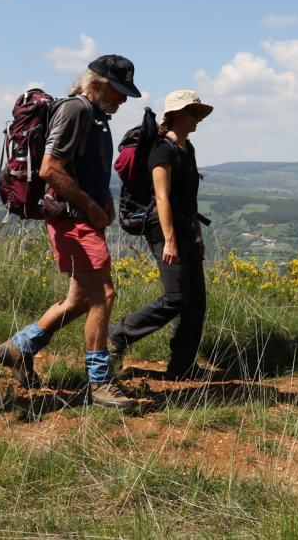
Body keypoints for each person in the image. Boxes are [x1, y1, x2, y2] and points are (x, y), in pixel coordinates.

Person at [0, 55, 141, 409]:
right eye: (118, 91)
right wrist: (90, 206)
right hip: (72, 218)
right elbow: (50, 169)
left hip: (82, 216)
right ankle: (100, 382)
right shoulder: (76, 110)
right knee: (103, 295)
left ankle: (18, 348)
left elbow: (89, 170)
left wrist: (104, 200)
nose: (122, 99)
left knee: (80, 300)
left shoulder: (96, 115)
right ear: (97, 84)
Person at [108, 90, 212, 380]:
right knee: (176, 297)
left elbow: (189, 200)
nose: (197, 120)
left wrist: (198, 235)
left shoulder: (187, 149)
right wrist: (169, 239)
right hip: (163, 227)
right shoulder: (161, 149)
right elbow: (162, 197)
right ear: (177, 114)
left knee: (196, 301)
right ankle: (117, 334)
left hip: (186, 228)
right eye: (193, 113)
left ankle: (182, 365)